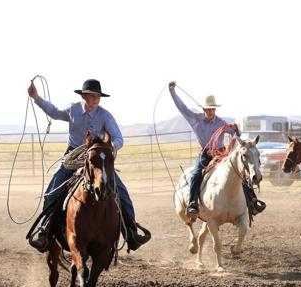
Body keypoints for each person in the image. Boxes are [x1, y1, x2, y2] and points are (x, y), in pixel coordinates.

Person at [26, 78, 150, 252]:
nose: (96, 99)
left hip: (97, 158)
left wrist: (110, 148)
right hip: (73, 155)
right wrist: (36, 97)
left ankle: (131, 232)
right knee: (52, 190)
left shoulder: (105, 115)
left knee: (121, 192)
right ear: (84, 96)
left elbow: (118, 138)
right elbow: (54, 112)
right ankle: (44, 230)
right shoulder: (73, 109)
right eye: (92, 95)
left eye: (98, 96)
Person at [167, 81, 262, 216]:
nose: (211, 111)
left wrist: (236, 129)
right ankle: (193, 203)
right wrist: (172, 92)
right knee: (195, 174)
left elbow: (236, 134)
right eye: (208, 109)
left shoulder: (221, 123)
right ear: (204, 109)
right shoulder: (195, 119)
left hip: (222, 154)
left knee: (238, 171)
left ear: (215, 109)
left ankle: (252, 202)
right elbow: (182, 108)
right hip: (206, 154)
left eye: (213, 109)